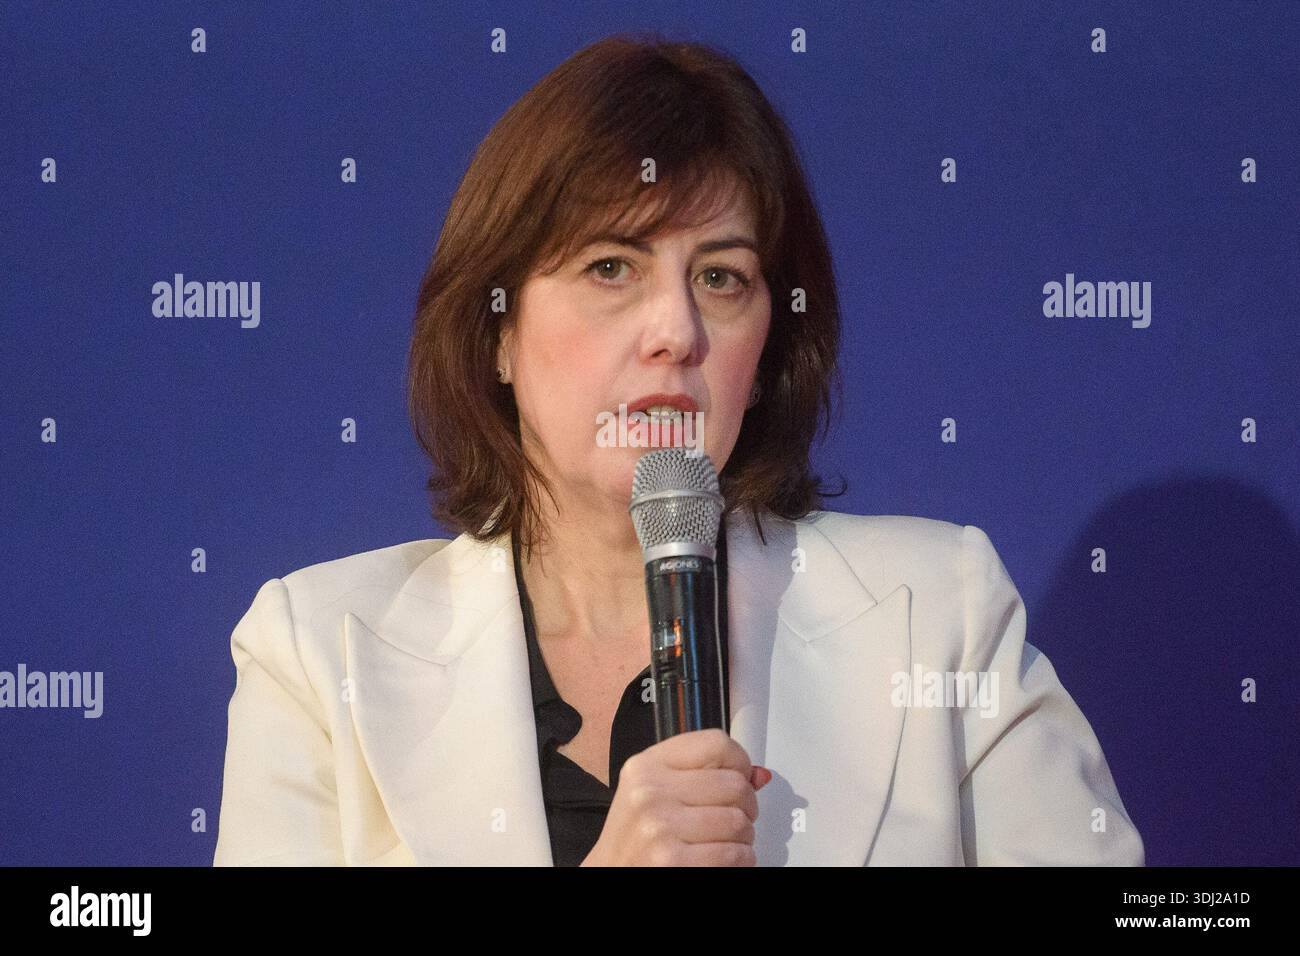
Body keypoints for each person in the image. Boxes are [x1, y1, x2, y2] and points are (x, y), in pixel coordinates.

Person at [213, 33, 1144, 867]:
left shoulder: (940, 614)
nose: (675, 329)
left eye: (721, 277)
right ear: (495, 329)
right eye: (610, 267)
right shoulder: (317, 652)